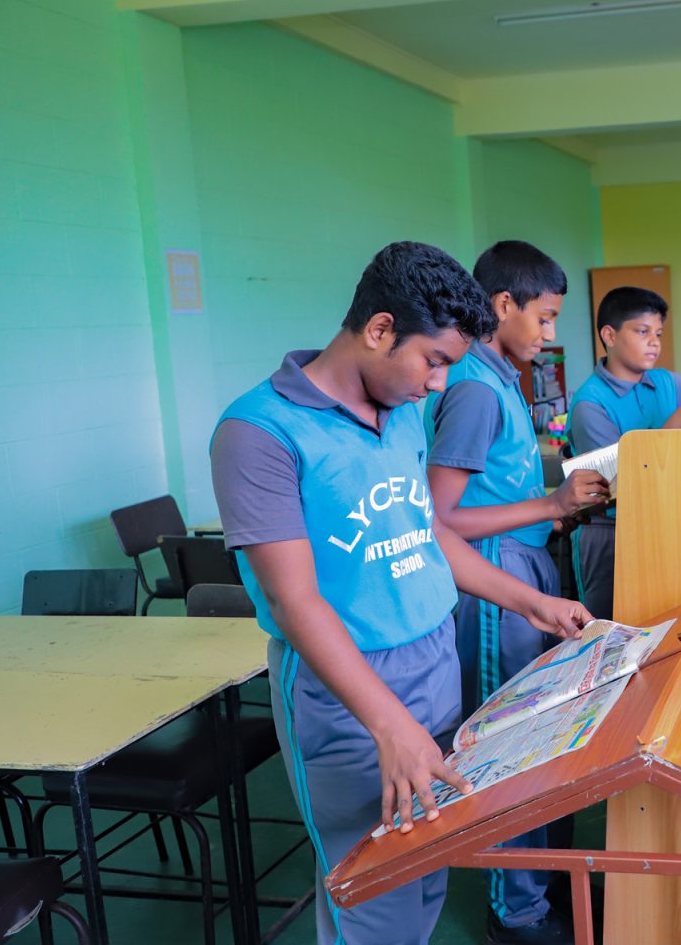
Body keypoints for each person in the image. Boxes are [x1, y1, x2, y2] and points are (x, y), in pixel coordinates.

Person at [209, 241, 592, 945]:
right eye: (435, 360)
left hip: (435, 662)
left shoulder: (406, 411)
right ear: (380, 330)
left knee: (427, 865)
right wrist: (390, 725)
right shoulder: (259, 432)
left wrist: (530, 601)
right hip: (348, 690)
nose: (441, 383)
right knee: (374, 889)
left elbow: (426, 535)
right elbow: (297, 603)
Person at [426, 240, 604, 944]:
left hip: (524, 561)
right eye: (546, 317)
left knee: (541, 738)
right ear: (503, 306)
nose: (549, 333)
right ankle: (516, 910)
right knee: (510, 746)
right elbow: (440, 519)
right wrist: (552, 506)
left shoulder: (500, 374)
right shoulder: (472, 384)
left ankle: (542, 875)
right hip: (495, 576)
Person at [566, 285, 681, 618]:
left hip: (666, 521)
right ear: (609, 335)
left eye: (659, 333)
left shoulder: (664, 381)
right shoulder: (590, 405)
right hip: (610, 534)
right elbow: (613, 484)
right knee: (610, 627)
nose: (654, 342)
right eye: (642, 331)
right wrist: (676, 424)